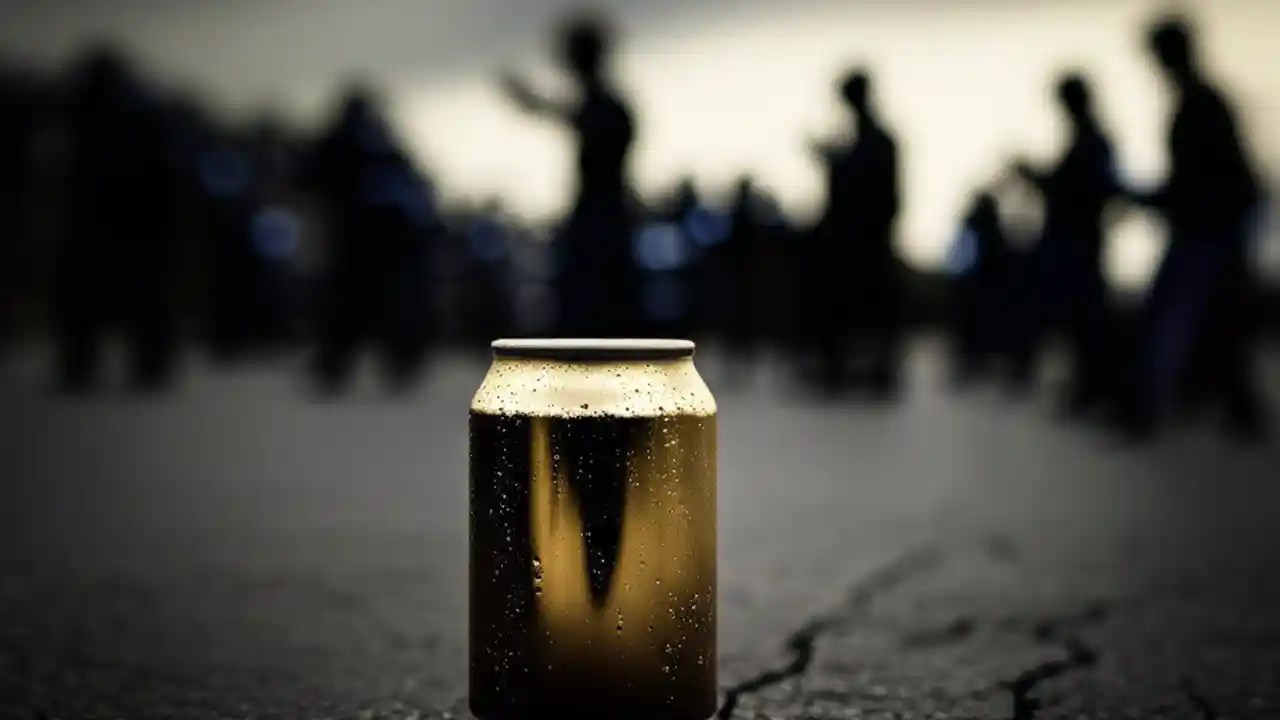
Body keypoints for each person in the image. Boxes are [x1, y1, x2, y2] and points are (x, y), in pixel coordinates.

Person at [1123, 17, 1265, 439]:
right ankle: (1235, 410)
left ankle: (1147, 410)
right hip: (1208, 229)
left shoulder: (1201, 104)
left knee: (1174, 318)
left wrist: (1152, 199)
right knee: (1216, 321)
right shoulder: (1200, 101)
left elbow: (1203, 179)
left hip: (1207, 232)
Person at [502, 15, 640, 337]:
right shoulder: (606, 106)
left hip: (602, 218)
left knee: (593, 311)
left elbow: (575, 118)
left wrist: (533, 102)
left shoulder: (607, 108)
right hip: (603, 217)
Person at [55, 49, 179, 392]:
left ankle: (91, 363)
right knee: (115, 296)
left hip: (121, 218)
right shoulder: (92, 112)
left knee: (104, 296)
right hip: (117, 219)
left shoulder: (126, 114)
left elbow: (167, 171)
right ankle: (136, 363)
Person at [305, 88, 438, 394]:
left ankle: (395, 366)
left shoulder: (388, 150)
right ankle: (332, 368)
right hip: (351, 241)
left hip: (386, 246)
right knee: (345, 307)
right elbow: (311, 179)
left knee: (388, 307)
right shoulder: (338, 146)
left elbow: (417, 188)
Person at [1011, 74, 1119, 413]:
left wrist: (1039, 179)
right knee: (1078, 317)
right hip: (1076, 241)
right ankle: (1090, 384)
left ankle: (1094, 385)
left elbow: (1080, 193)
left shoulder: (1091, 142)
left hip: (1077, 242)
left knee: (1083, 316)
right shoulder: (1087, 141)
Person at [808, 69, 902, 394]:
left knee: (866, 303)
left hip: (864, 238)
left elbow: (876, 194)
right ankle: (854, 369)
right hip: (857, 237)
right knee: (855, 304)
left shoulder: (876, 141)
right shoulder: (867, 140)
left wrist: (834, 165)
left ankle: (868, 371)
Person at [949, 192, 1016, 384]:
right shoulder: (986, 228)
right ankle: (972, 364)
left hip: (976, 286)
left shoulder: (978, 227)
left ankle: (973, 363)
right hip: (976, 286)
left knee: (974, 329)